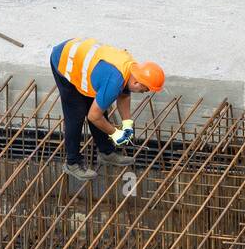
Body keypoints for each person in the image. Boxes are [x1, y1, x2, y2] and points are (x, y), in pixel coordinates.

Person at [49, 38, 165, 181]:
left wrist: (127, 124)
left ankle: (106, 152)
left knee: (97, 105)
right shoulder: (114, 82)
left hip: (84, 60)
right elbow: (94, 116)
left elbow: (124, 95)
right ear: (136, 82)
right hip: (63, 59)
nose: (145, 92)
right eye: (145, 89)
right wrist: (115, 134)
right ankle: (72, 163)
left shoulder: (131, 70)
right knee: (76, 113)